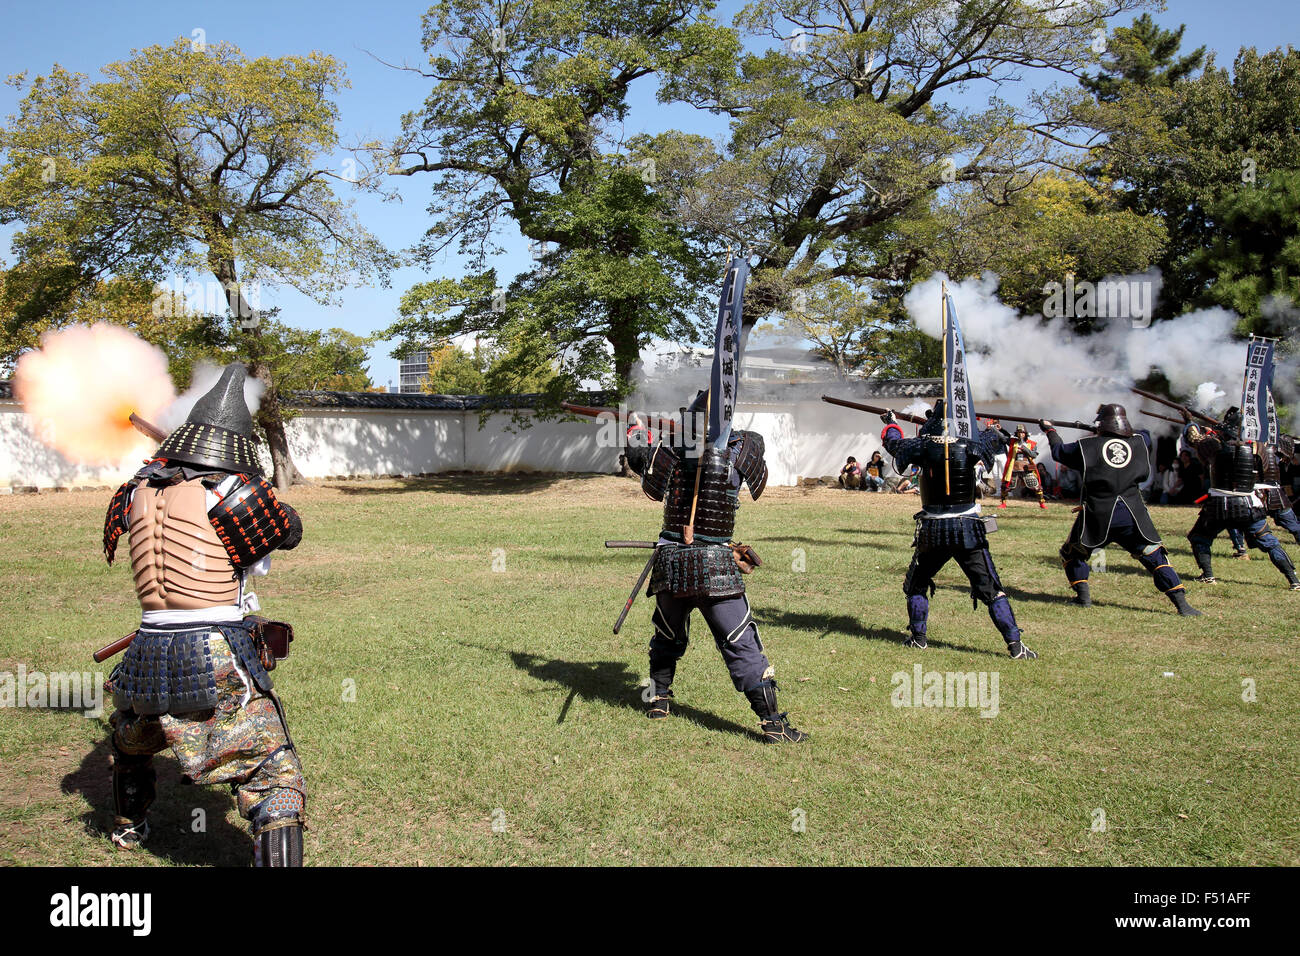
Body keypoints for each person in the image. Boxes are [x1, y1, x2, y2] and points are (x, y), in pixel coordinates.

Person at [101, 365, 308, 865]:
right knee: (273, 774)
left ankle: (129, 826)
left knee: (133, 739)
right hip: (212, 645)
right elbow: (287, 534)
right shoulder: (231, 493)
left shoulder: (134, 491)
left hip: (147, 646)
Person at [638, 391, 807, 742]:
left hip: (673, 563)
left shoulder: (668, 450)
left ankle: (657, 699)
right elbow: (753, 446)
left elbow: (645, 472)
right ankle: (773, 724)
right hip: (714, 566)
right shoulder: (740, 450)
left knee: (667, 636)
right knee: (739, 642)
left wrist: (636, 435)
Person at [880, 402, 1037, 659]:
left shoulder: (921, 446)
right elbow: (1000, 439)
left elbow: (894, 444)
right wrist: (994, 429)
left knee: (917, 585)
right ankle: (1016, 647)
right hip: (967, 529)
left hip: (934, 530)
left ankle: (919, 639)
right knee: (990, 590)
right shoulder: (973, 444)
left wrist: (891, 422)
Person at [1041, 406, 1200, 616]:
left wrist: (1050, 431)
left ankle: (1083, 597)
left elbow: (1058, 452)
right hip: (1131, 513)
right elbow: (1144, 433)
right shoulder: (1140, 442)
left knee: (1072, 554)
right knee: (1155, 557)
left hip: (1098, 514)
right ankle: (1182, 605)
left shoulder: (1086, 446)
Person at [1183, 407, 1300, 588]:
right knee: (1270, 543)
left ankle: (1208, 575)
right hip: (1249, 505)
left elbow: (1194, 438)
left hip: (1218, 505)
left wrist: (1189, 421)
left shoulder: (1214, 444)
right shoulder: (1256, 447)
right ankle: (1294, 580)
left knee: (1199, 538)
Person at [999, 425, 1048, 509]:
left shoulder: (1031, 444)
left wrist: (1024, 449)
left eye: (1022, 433)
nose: (1020, 435)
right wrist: (999, 429)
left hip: (1026, 468)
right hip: (1014, 468)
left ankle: (1042, 503)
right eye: (1019, 433)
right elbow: (1003, 438)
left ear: (1025, 434)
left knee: (1037, 487)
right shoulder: (1013, 443)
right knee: (1005, 486)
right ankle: (1003, 503)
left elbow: (1033, 455)